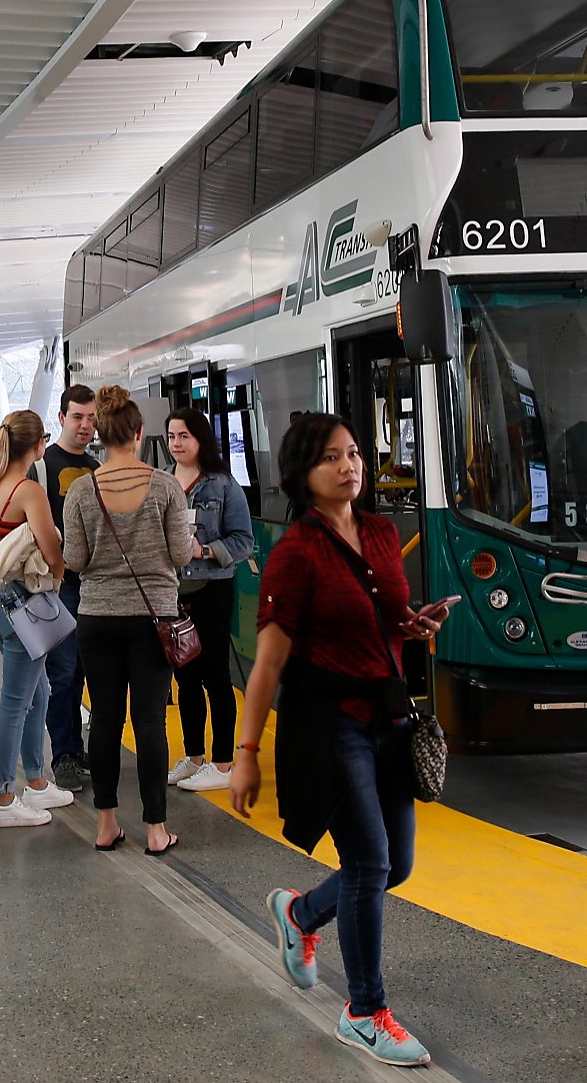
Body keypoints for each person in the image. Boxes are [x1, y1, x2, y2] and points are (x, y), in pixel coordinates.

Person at [230, 413, 449, 1066]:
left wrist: (409, 628)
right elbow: (268, 662)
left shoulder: (382, 534)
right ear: (303, 472)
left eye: (355, 454)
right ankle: (364, 1012)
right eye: (332, 457)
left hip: (388, 717)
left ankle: (299, 917)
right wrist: (245, 755)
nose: (350, 466)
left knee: (395, 865)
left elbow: (378, 618)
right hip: (330, 725)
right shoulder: (296, 553)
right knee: (370, 863)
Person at [60, 384, 194, 855]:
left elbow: (73, 559)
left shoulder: (81, 490)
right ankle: (156, 830)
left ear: (100, 434)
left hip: (97, 617)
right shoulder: (165, 486)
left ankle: (105, 824)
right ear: (139, 434)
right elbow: (180, 553)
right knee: (150, 722)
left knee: (107, 719)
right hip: (152, 618)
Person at [0, 409, 74, 829]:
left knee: (36, 691)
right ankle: (3, 797)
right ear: (39, 446)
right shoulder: (28, 491)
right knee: (15, 703)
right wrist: (55, 577)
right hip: (25, 604)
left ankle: (38, 782)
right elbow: (52, 550)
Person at [165, 407, 256, 794]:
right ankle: (195, 756)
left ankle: (222, 763)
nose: (176, 444)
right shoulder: (162, 482)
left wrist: (204, 551)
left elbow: (243, 540)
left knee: (215, 674)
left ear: (201, 438)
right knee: (184, 675)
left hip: (213, 587)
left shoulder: (222, 485)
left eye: (184, 436)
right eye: (171, 436)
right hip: (171, 589)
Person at [40, 384, 98, 790]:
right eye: (77, 417)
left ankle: (82, 751)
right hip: (58, 587)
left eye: (92, 418)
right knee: (61, 675)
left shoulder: (98, 469)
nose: (85, 425)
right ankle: (63, 754)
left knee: (91, 673)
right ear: (61, 418)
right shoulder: (42, 467)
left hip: (97, 586)